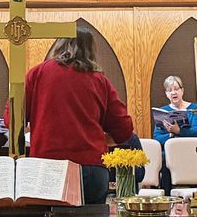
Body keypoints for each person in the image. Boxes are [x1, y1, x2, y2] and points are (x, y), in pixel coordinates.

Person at [26, 25, 134, 204]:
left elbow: (11, 119)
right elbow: (124, 130)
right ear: (90, 49)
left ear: (59, 44)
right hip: (90, 168)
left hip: (46, 166)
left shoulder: (37, 74)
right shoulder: (99, 81)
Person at [152, 75, 197, 192]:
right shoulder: (163, 111)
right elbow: (157, 137)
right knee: (164, 159)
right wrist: (171, 135)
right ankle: (167, 194)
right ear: (166, 94)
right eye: (170, 90)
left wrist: (179, 131)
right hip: (170, 155)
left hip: (190, 151)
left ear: (182, 91)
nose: (173, 92)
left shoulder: (193, 109)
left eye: (176, 89)